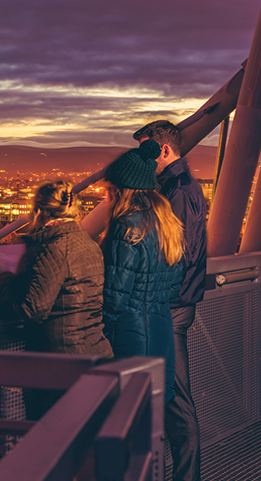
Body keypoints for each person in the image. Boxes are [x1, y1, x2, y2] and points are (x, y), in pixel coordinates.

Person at [0, 179, 113, 417]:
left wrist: (7, 283)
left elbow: (33, 309)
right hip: (95, 353)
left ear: (39, 211)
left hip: (60, 364)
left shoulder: (54, 247)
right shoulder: (89, 244)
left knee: (49, 432)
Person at [134, 120, 207, 481]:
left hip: (170, 306)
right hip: (173, 303)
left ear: (163, 150)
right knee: (168, 399)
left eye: (147, 151)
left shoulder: (177, 190)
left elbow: (181, 253)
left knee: (176, 402)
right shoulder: (179, 186)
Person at [101, 139, 184, 403]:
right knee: (153, 406)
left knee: (127, 406)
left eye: (110, 190)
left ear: (122, 190)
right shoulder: (167, 222)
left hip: (131, 332)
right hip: (161, 326)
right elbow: (175, 284)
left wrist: (100, 331)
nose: (107, 197)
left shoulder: (127, 226)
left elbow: (115, 295)